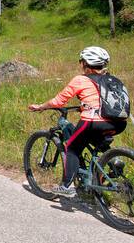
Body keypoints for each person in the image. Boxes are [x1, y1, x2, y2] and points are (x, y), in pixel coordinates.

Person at [27, 46, 117, 198]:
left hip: (93, 122)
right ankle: (113, 161)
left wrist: (41, 107)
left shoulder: (80, 79)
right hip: (117, 122)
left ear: (86, 64)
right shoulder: (110, 79)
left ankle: (66, 186)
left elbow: (59, 101)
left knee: (72, 147)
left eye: (81, 62)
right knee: (95, 142)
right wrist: (84, 107)